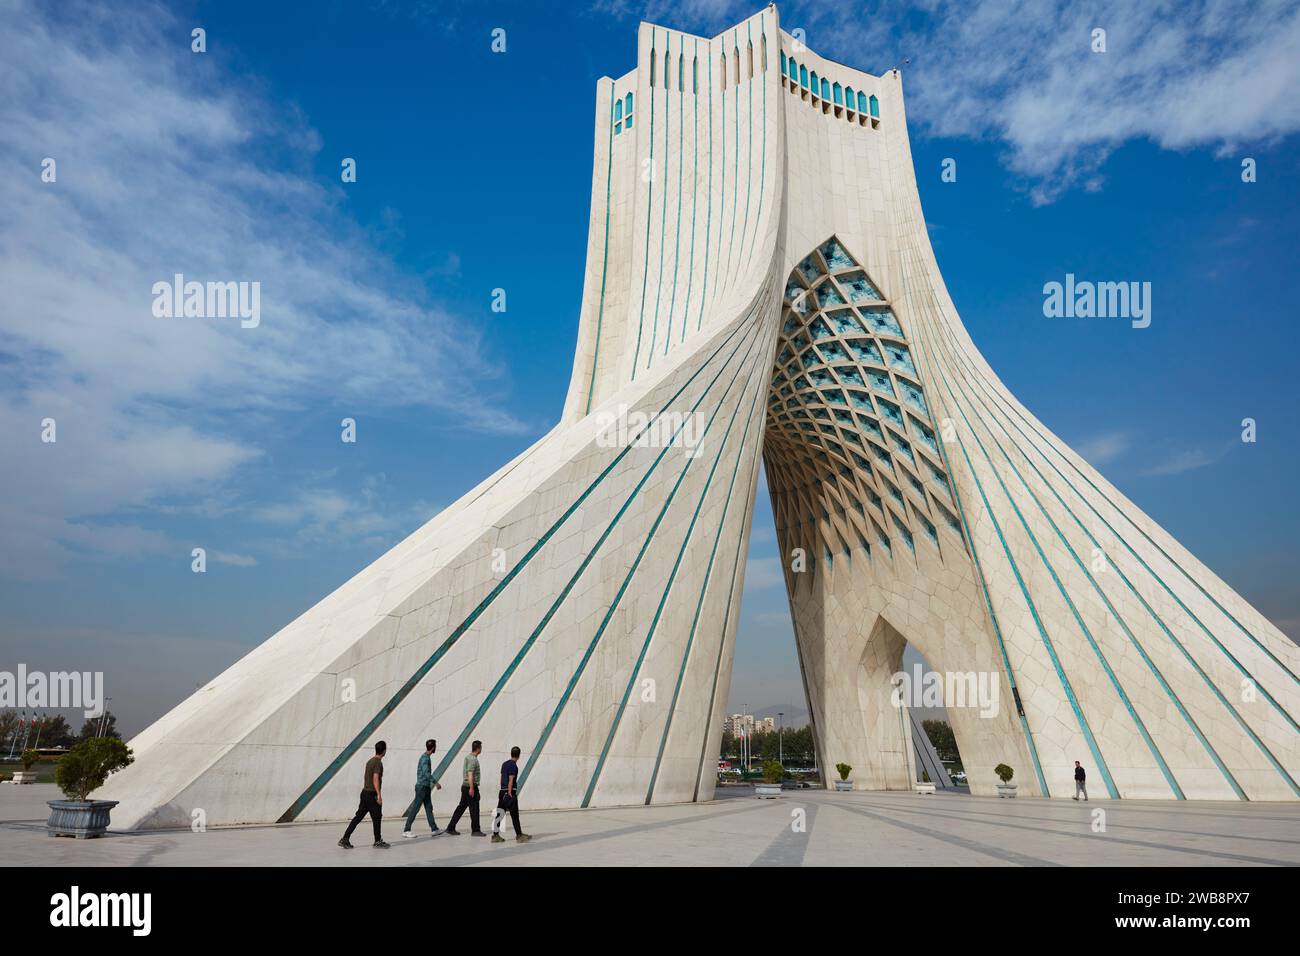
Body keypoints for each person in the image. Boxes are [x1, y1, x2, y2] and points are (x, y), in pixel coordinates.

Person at [339, 740, 389, 849]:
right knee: (377, 817)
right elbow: (375, 778)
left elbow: (366, 777)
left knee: (358, 817)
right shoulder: (378, 763)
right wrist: (379, 795)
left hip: (365, 792)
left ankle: (345, 838)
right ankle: (377, 841)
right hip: (372, 794)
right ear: (384, 751)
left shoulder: (370, 761)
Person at [401, 738, 444, 838]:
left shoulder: (426, 757)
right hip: (422, 787)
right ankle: (406, 830)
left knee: (429, 808)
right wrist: (435, 782)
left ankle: (434, 829)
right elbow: (426, 773)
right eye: (435, 747)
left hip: (425, 787)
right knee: (415, 808)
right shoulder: (425, 758)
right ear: (433, 747)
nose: (436, 748)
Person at [445, 740, 485, 836]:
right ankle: (475, 830)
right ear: (478, 748)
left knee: (461, 808)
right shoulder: (473, 759)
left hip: (465, 787)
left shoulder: (468, 757)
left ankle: (450, 827)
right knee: (474, 809)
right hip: (470, 787)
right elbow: (470, 773)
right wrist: (472, 788)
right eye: (481, 747)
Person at [491, 746, 531, 844]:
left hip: (502, 792)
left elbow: (502, 778)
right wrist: (510, 793)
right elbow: (511, 779)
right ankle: (519, 835)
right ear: (519, 755)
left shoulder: (504, 764)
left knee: (499, 814)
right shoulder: (513, 766)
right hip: (509, 792)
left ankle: (495, 836)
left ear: (511, 753)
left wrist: (503, 790)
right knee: (514, 815)